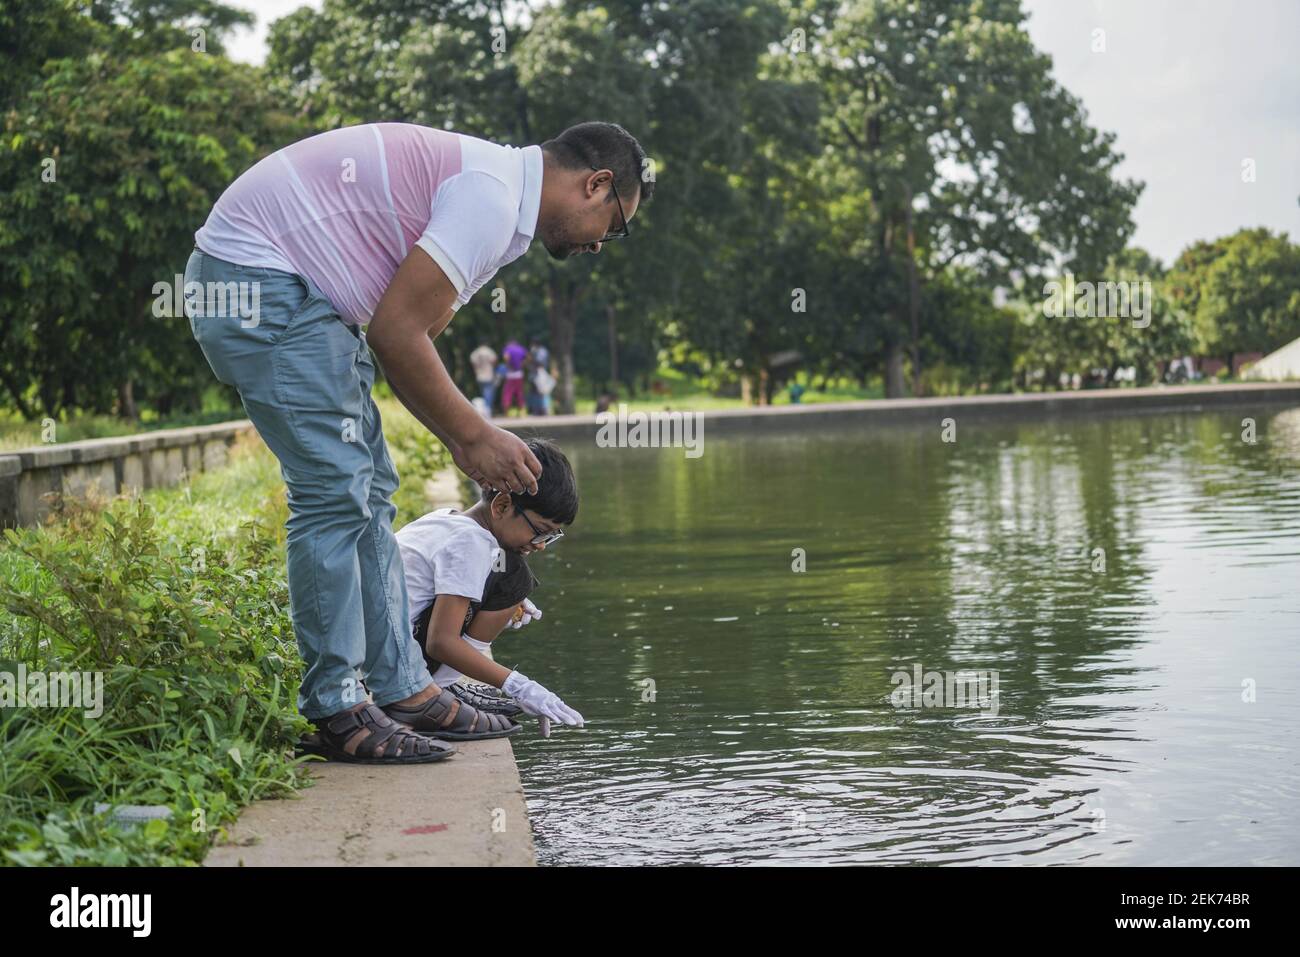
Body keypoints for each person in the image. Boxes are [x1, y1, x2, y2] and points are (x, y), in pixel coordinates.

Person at [184, 120, 651, 763]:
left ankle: (402, 687)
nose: (603, 244)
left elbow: (417, 333)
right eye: (616, 224)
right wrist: (472, 436)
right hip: (256, 279)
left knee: (370, 492)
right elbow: (397, 335)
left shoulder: (503, 215)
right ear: (596, 185)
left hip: (301, 294)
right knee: (333, 496)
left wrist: (475, 437)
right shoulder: (488, 198)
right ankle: (336, 708)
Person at [397, 439, 583, 734]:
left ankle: (439, 689)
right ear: (502, 505)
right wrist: (519, 686)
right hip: (398, 668)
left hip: (378, 656)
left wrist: (496, 596)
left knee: (507, 574)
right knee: (514, 575)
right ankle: (435, 695)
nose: (541, 546)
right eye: (540, 532)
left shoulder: (445, 519)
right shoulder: (473, 542)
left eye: (551, 536)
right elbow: (440, 642)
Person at [501, 339, 528, 416]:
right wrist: (521, 365)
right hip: (519, 374)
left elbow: (506, 357)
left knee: (508, 393)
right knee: (519, 392)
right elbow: (527, 358)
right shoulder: (521, 348)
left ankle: (506, 412)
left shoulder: (508, 348)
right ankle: (522, 412)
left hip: (511, 374)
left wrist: (508, 365)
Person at [470, 341, 498, 412]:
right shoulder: (489, 351)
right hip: (489, 374)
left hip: (480, 375)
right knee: (488, 392)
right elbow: (494, 360)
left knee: (483, 392)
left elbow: (473, 361)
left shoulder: (476, 352)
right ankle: (487, 409)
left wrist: (476, 369)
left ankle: (483, 409)